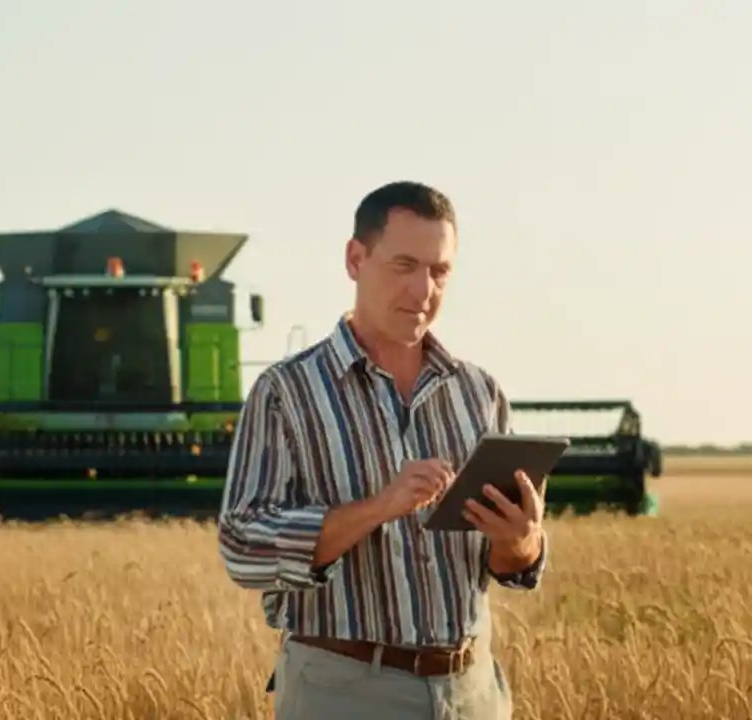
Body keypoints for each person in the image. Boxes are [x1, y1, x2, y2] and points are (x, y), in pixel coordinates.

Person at [217, 181, 548, 720]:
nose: (423, 290)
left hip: (472, 691)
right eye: (404, 265)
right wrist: (378, 508)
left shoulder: (480, 394)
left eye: (439, 271)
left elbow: (511, 565)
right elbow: (240, 545)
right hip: (344, 693)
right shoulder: (287, 392)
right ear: (355, 259)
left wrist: (523, 543)